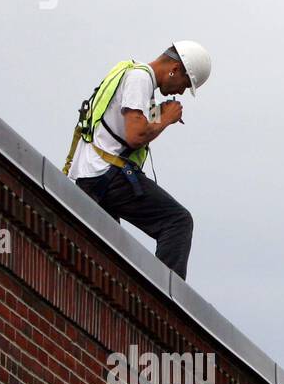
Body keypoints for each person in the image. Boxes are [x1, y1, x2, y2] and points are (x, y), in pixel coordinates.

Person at [64, 41, 212, 279]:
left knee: (108, 259)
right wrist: (167, 119)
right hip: (108, 175)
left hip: (93, 175)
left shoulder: (137, 78)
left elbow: (135, 127)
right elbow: (136, 136)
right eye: (185, 84)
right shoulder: (140, 79)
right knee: (177, 221)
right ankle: (166, 302)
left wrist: (159, 113)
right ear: (175, 68)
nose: (181, 91)